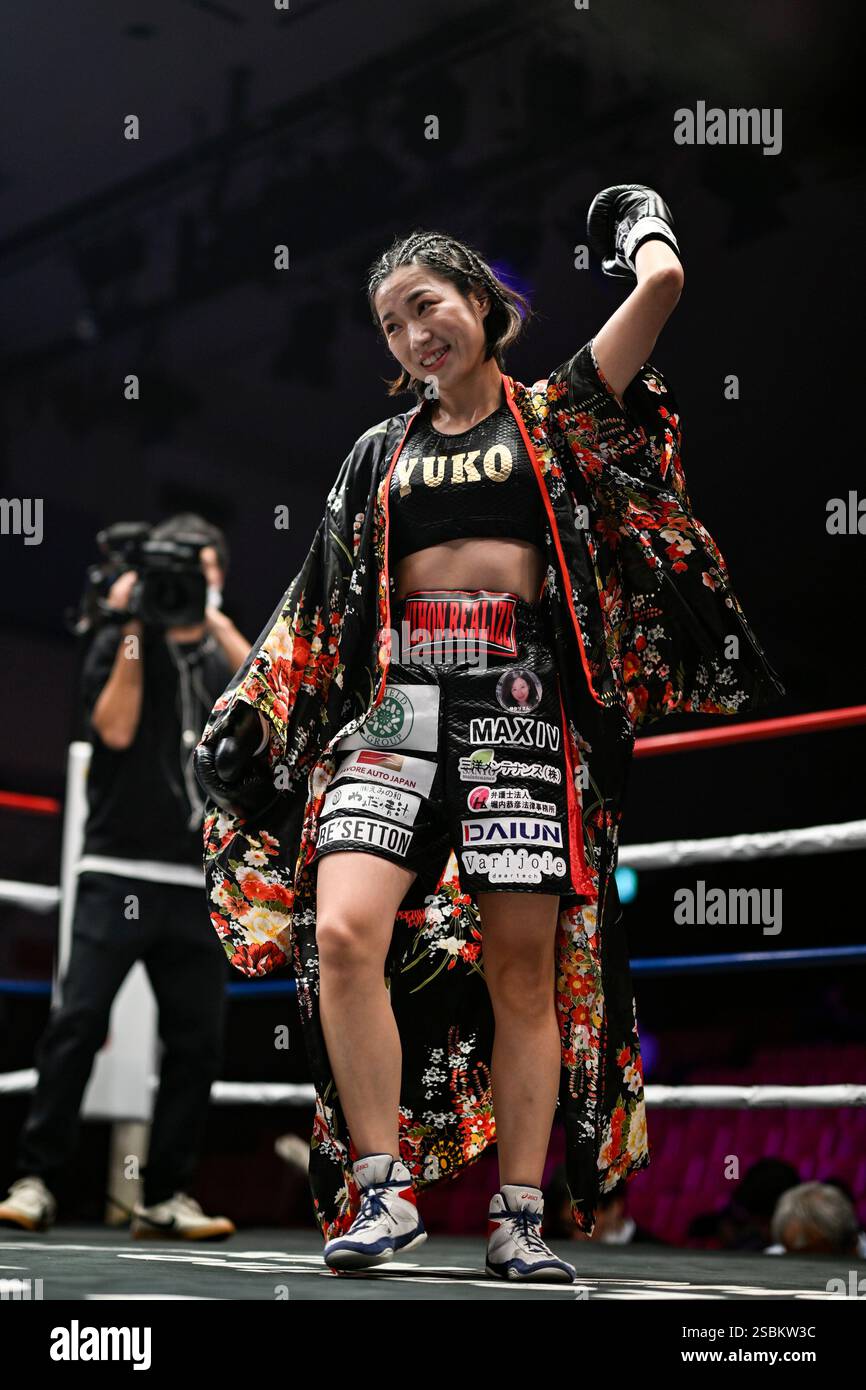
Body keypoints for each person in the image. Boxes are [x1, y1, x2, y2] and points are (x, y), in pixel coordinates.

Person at [194, 186, 785, 1281]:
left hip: (518, 706)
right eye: (389, 324)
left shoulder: (555, 416)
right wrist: (248, 709)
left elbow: (661, 285)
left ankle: (517, 1218)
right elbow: (315, 602)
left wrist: (638, 220)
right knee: (339, 936)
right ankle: (379, 1194)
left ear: (478, 300)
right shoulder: (376, 452)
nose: (414, 335)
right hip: (394, 703)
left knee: (523, 971)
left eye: (427, 306)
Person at [0, 515, 250, 1241]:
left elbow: (271, 687)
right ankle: (37, 1178)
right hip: (116, 871)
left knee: (198, 1041)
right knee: (77, 1023)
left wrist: (208, 617)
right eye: (180, 573)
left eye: (200, 572)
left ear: (218, 580)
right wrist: (141, 623)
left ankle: (167, 1192)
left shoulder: (216, 651)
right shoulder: (119, 640)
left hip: (194, 877)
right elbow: (112, 729)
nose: (187, 586)